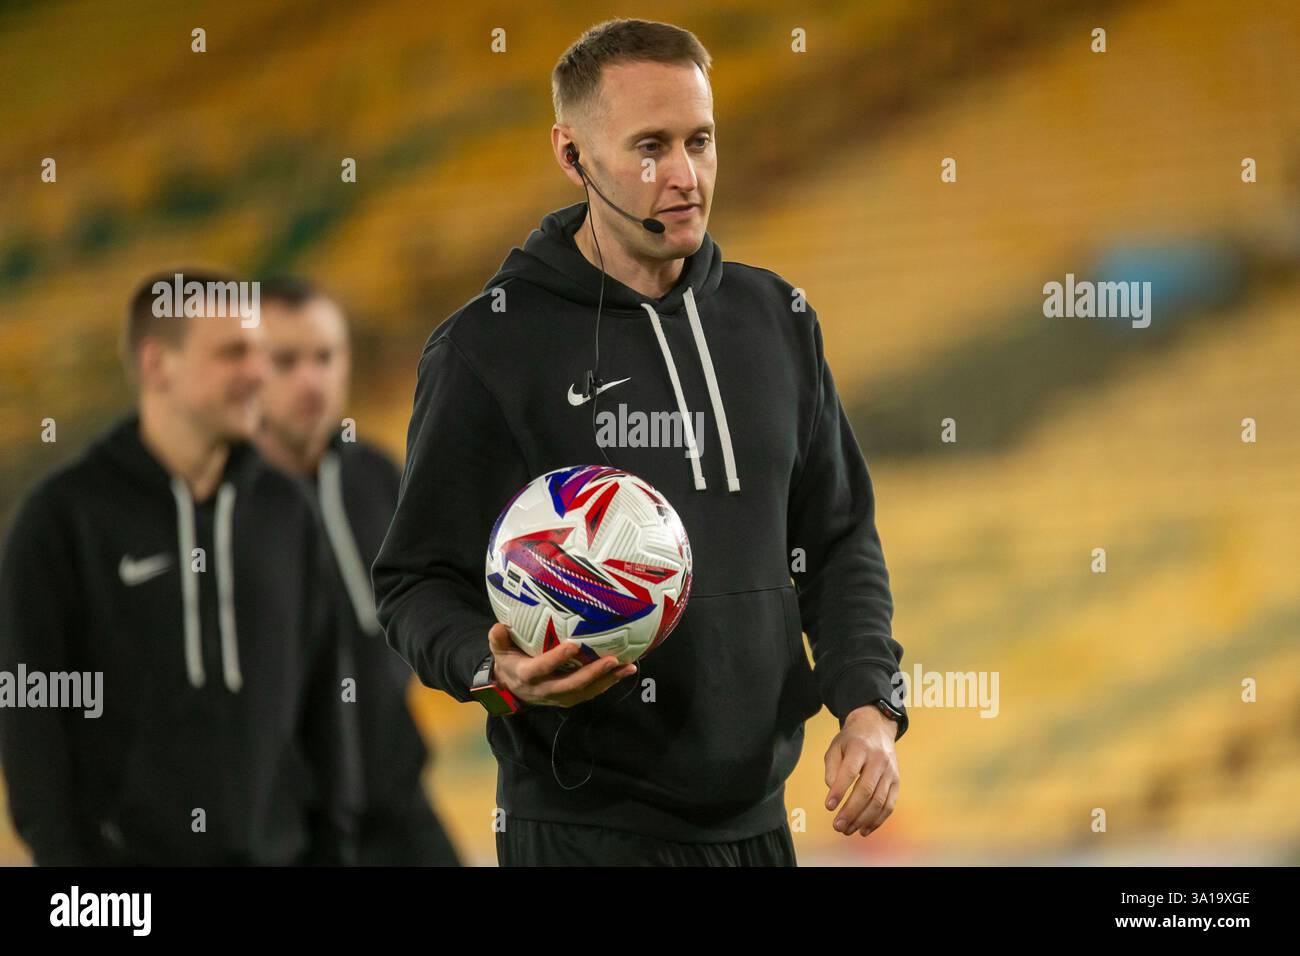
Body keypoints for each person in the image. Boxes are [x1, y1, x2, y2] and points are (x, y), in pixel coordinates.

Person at [373, 18, 907, 867]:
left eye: (701, 140)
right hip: (586, 834)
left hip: (759, 830)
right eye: (651, 147)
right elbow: (413, 582)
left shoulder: (775, 321)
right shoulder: (490, 348)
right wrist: (491, 665)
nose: (686, 176)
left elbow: (838, 541)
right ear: (572, 154)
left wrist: (869, 708)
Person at [0, 270, 359, 865]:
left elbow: (327, 701)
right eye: (232, 354)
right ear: (157, 364)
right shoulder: (62, 520)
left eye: (261, 354)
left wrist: (332, 849)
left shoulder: (284, 512)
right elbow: (31, 723)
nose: (257, 374)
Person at [254, 275, 461, 866]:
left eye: (324, 357)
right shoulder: (216, 503)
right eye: (285, 362)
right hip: (283, 829)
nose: (310, 380)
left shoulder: (374, 473)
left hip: (398, 805)